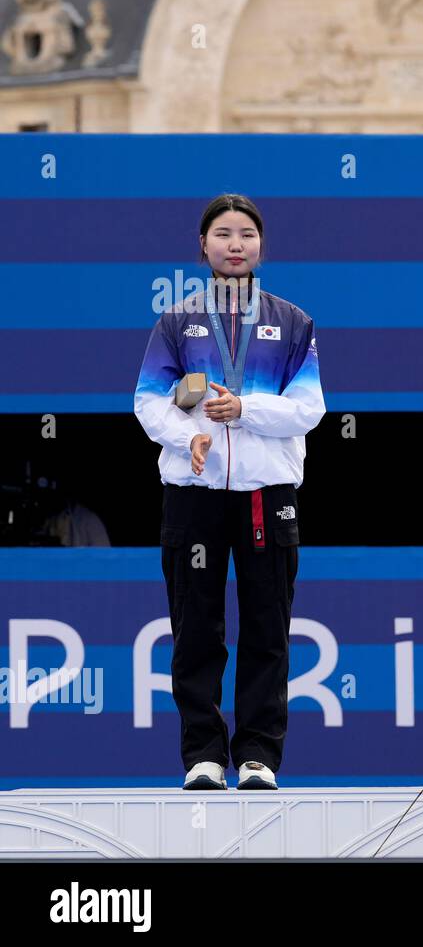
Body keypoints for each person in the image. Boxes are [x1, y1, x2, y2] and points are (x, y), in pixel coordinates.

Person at [134, 193, 325, 790]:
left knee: (268, 628)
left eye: (246, 233)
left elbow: (309, 409)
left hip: (266, 492)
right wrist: (187, 436)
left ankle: (258, 756)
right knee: (196, 629)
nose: (235, 243)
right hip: (195, 492)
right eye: (223, 233)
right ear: (203, 245)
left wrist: (244, 409)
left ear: (261, 245)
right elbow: (149, 401)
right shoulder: (177, 322)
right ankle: (204, 757)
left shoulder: (292, 322)